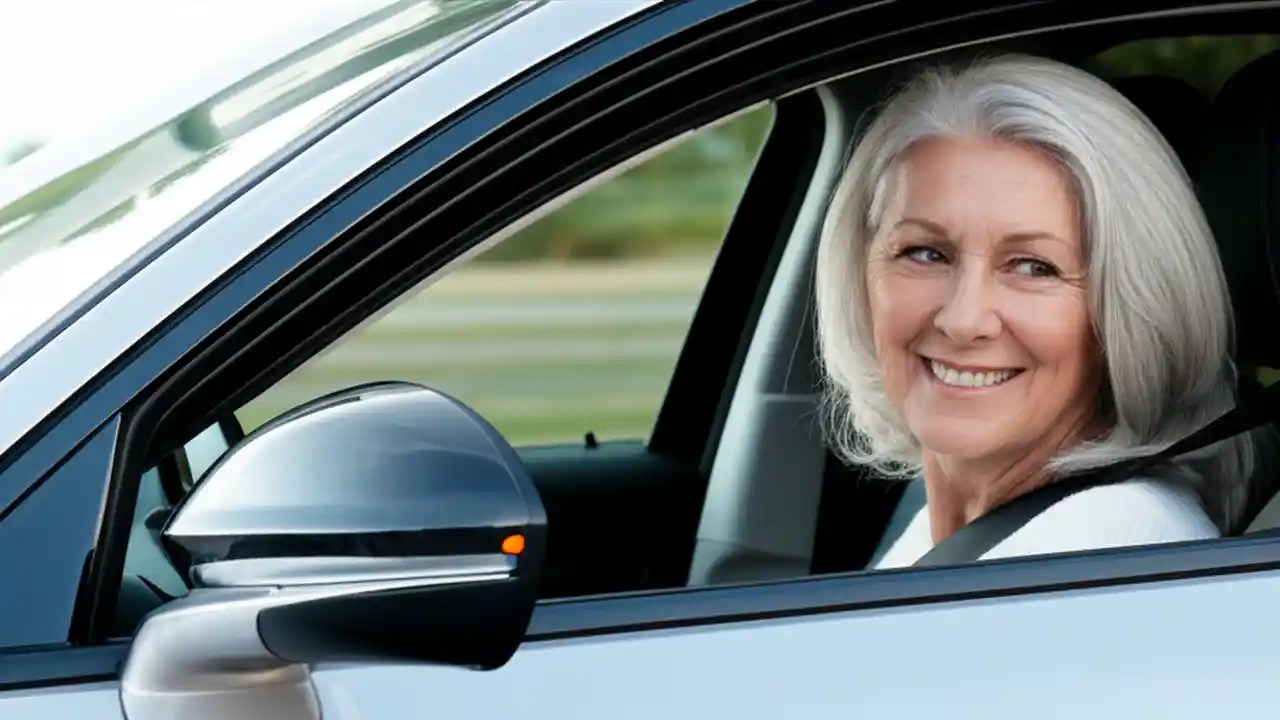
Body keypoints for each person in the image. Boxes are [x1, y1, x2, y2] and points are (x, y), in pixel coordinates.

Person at [812, 54, 1267, 568]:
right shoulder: (981, 534)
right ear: (858, 271)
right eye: (925, 253)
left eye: (1033, 267)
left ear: (1129, 311)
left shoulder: (1109, 552)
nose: (963, 320)